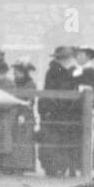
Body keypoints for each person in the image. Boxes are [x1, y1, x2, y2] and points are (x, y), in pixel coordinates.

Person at [39, 45, 79, 177]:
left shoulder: (59, 70)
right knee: (56, 140)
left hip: (62, 111)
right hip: (57, 111)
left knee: (60, 140)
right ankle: (56, 167)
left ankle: (60, 167)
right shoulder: (55, 71)